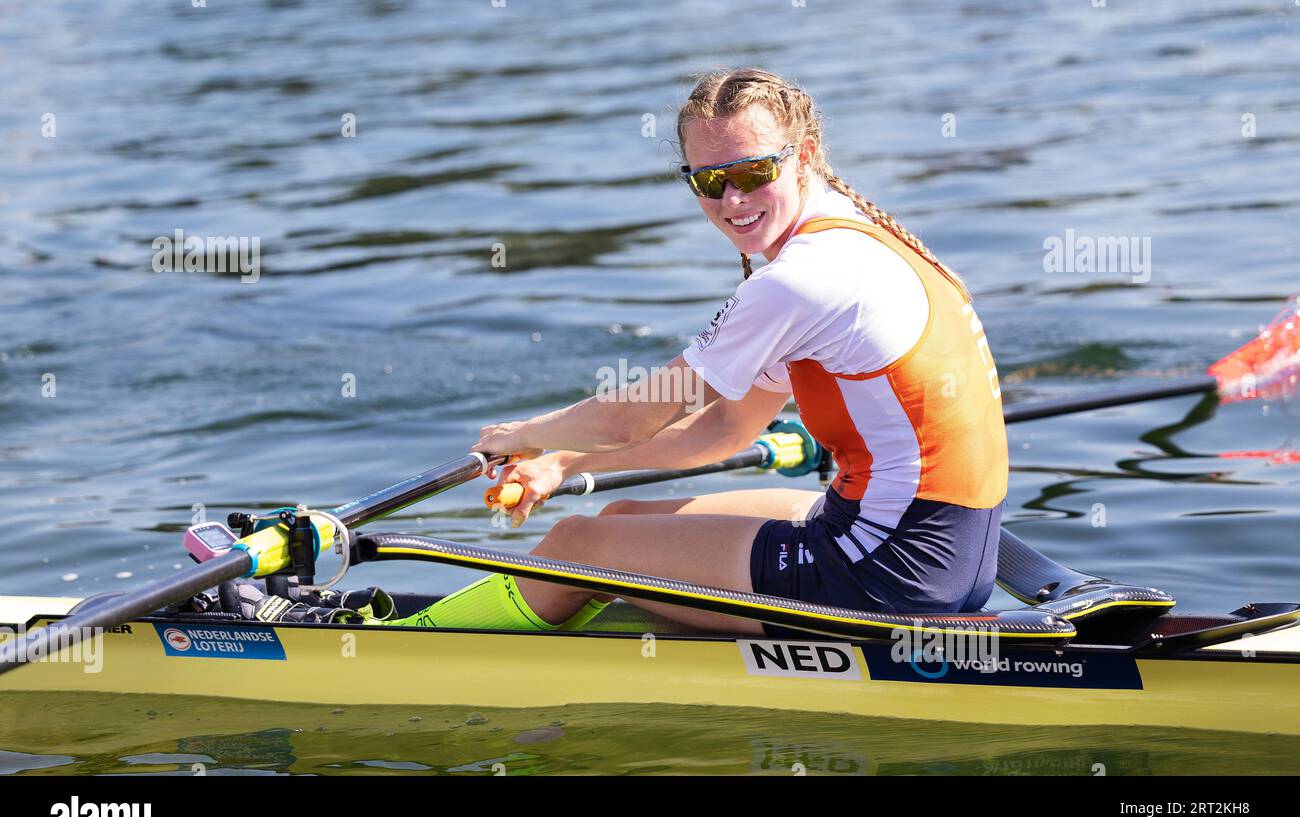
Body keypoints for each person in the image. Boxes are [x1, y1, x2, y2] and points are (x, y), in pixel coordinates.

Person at [391, 67, 1008, 636]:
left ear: (805, 158)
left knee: (576, 544)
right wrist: (562, 463)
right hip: (946, 557)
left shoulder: (802, 278)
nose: (732, 199)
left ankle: (412, 651)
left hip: (886, 577)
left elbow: (628, 418)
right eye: (710, 180)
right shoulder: (859, 238)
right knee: (621, 522)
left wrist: (524, 434)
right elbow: (723, 429)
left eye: (752, 172)